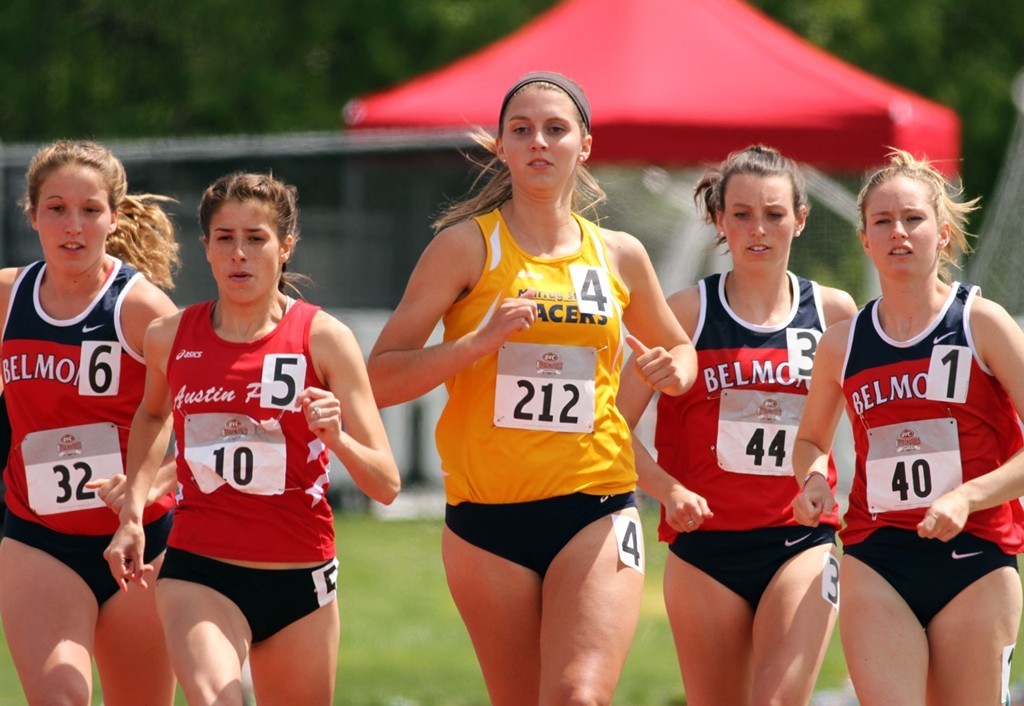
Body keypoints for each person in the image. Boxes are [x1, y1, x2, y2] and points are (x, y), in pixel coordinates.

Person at [367, 71, 695, 705]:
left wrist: (675, 370)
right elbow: (377, 379)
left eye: (555, 129)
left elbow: (679, 348)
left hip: (596, 502)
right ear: (501, 146)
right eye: (521, 130)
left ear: (585, 146)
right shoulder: (465, 248)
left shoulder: (619, 254)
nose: (538, 142)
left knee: (580, 696)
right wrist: (475, 344)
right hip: (487, 519)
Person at [104, 171, 400, 705]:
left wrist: (337, 438)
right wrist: (132, 511)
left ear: (285, 248)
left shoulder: (325, 338)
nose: (239, 253)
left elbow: (386, 484)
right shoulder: (169, 336)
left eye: (256, 238)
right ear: (206, 248)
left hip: (301, 579)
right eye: (225, 238)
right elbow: (152, 416)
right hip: (199, 571)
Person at [616, 145, 857, 705]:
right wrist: (667, 490)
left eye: (774, 214)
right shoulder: (685, 313)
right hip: (706, 549)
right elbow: (611, 425)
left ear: (800, 219)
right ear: (719, 220)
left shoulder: (834, 313)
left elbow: (878, 418)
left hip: (800, 539)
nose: (758, 229)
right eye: (742, 214)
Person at [793, 149, 1024, 706]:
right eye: (882, 221)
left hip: (976, 555)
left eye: (913, 218)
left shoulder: (981, 323)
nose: (898, 231)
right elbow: (810, 441)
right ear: (865, 240)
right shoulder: (843, 344)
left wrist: (967, 497)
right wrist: (813, 480)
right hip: (879, 554)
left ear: (942, 234)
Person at [0, 139, 180, 705]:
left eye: (90, 209)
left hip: (140, 541)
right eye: (56, 208)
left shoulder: (144, 310)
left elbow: (203, 418)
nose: (73, 226)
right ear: (32, 215)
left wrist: (146, 488)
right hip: (39, 539)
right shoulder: (7, 297)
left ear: (114, 217)